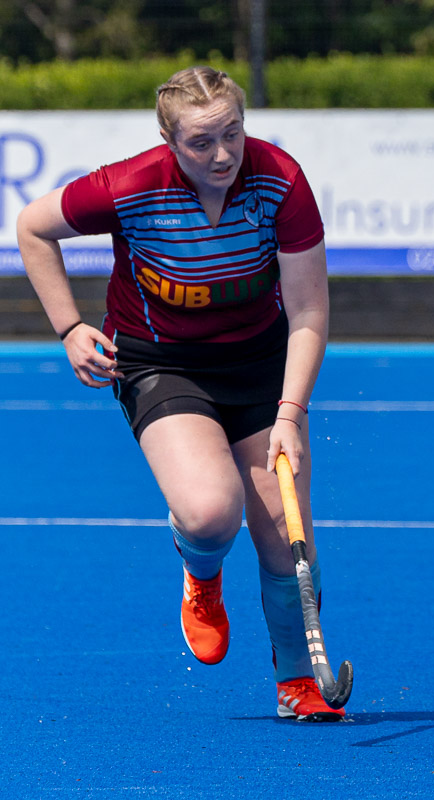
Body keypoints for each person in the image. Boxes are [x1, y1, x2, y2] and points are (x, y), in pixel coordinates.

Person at [16, 66, 345, 722]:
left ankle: (298, 681)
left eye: (233, 133)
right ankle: (202, 575)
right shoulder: (130, 186)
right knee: (209, 513)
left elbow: (309, 310)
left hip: (259, 365)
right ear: (168, 141)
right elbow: (32, 226)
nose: (223, 154)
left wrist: (290, 412)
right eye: (201, 141)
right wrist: (70, 327)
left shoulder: (280, 180)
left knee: (286, 539)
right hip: (161, 362)